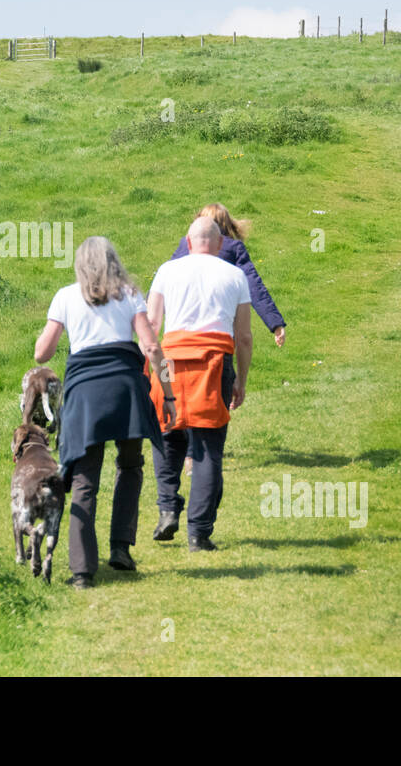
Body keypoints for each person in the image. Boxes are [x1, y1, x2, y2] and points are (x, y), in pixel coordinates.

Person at [35, 236, 177, 588]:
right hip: (126, 389)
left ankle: (82, 572)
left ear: (80, 264)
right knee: (130, 466)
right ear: (113, 262)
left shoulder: (65, 296)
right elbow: (151, 346)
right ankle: (121, 548)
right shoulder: (128, 294)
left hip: (85, 395)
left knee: (84, 481)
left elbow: (42, 353)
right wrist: (169, 394)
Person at [147, 217, 253, 551]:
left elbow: (151, 323)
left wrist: (148, 368)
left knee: (167, 435)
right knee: (208, 447)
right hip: (215, 361)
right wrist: (241, 380)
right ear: (221, 245)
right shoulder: (235, 275)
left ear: (189, 243)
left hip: (170, 361)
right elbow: (245, 336)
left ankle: (167, 510)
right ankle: (199, 533)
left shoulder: (167, 270)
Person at [169, 203, 286, 347]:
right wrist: (275, 323)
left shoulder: (187, 244)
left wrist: (148, 304)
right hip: (219, 328)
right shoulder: (234, 248)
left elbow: (166, 277)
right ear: (228, 225)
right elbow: (254, 287)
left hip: (183, 327)